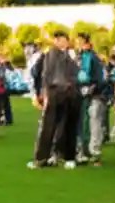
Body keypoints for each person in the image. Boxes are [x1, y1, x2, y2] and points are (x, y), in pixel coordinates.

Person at [29, 31, 81, 170]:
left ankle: (63, 156)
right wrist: (43, 93)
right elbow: (44, 74)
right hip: (55, 92)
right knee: (49, 126)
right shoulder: (51, 54)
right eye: (59, 39)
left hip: (69, 93)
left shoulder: (71, 55)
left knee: (67, 126)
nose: (61, 42)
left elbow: (76, 73)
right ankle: (43, 157)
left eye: (63, 39)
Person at [75, 33, 107, 166]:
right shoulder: (79, 57)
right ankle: (82, 151)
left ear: (88, 43)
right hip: (80, 94)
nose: (79, 45)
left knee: (94, 123)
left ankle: (94, 152)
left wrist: (91, 89)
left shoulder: (94, 58)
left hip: (95, 95)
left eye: (81, 42)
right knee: (82, 123)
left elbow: (100, 78)